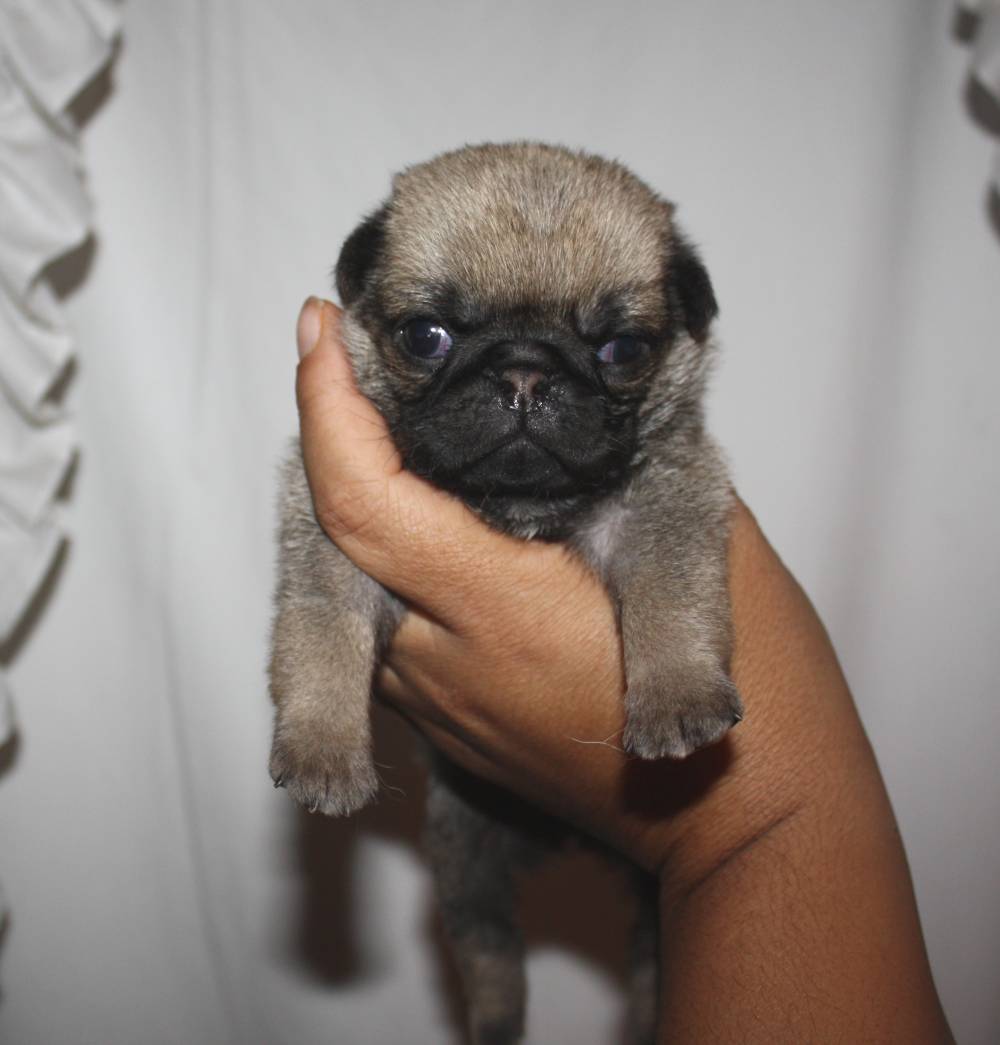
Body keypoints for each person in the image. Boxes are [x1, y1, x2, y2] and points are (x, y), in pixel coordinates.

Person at [294, 297, 954, 1043]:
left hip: (667, 799)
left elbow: (669, 529)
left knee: (663, 940)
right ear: (363, 304)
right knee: (466, 877)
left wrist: (677, 672)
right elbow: (326, 570)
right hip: (465, 783)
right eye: (430, 338)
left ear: (686, 331)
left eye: (618, 353)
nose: (523, 383)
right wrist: (322, 716)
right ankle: (492, 998)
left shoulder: (652, 464)